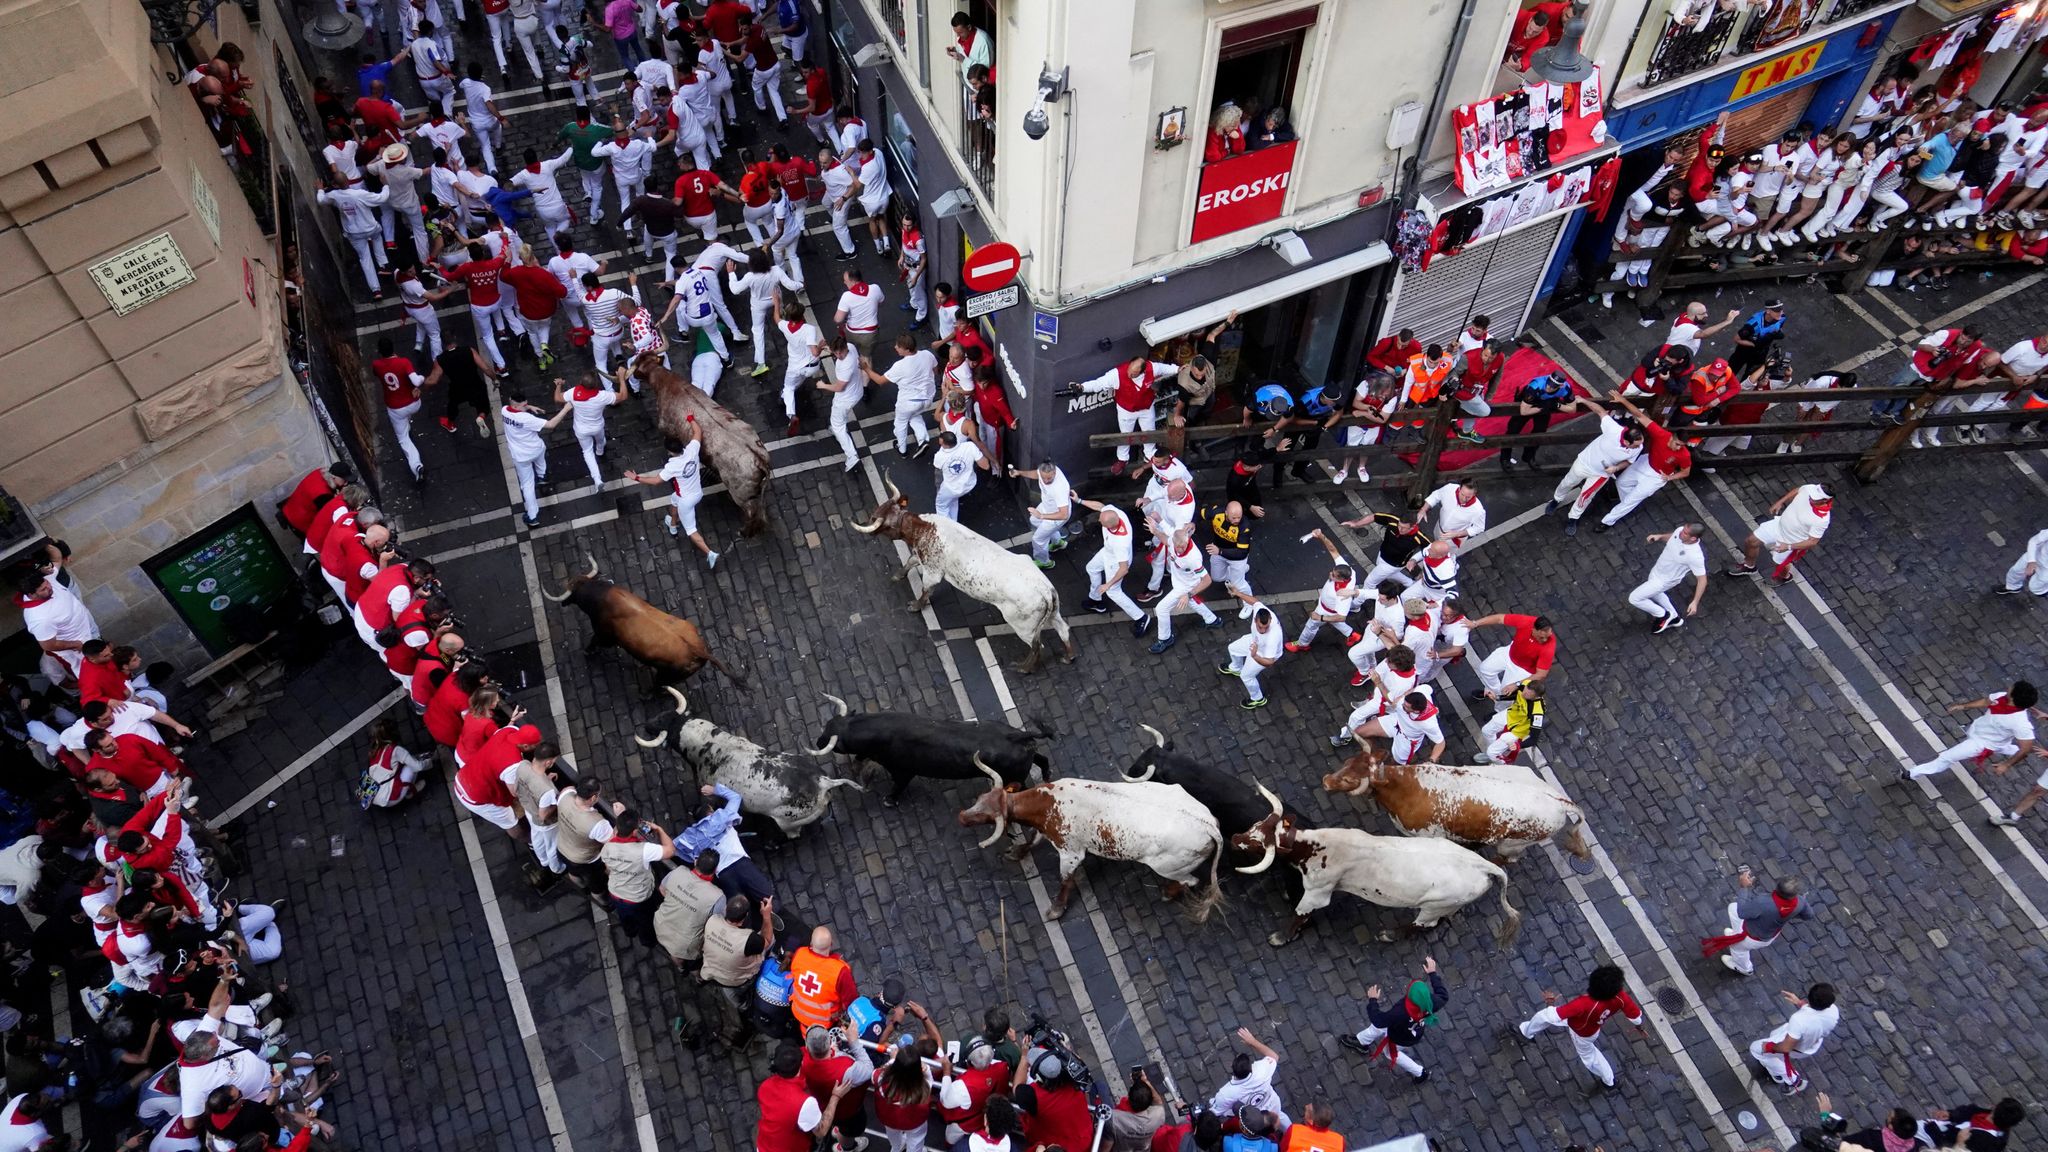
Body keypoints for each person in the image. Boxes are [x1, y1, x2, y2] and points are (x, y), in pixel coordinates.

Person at [1516, 964, 1644, 1089]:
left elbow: (1554, 1015)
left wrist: (1550, 1003)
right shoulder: (1621, 997)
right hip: (1591, 1029)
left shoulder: (1582, 1004)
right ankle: (1609, 1082)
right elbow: (1635, 1016)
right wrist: (1639, 1027)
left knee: (1590, 1057)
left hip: (1579, 1031)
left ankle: (1609, 1081)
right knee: (1545, 1017)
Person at [1544, 394, 1643, 536]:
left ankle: (1574, 517)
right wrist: (1584, 400)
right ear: (1627, 442)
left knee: (1586, 496)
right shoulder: (1613, 430)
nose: (1639, 447)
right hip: (1584, 463)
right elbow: (1600, 411)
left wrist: (1615, 468)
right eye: (1636, 445)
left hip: (1601, 474)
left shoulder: (1637, 448)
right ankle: (1557, 499)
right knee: (1568, 482)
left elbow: (1628, 461)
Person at [1903, 681, 2038, 784]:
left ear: (2014, 698)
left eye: (2012, 688)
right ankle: (2013, 750)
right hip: (1978, 729)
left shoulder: (2021, 724)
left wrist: (2006, 765)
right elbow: (1986, 701)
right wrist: (1963, 706)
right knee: (2004, 746)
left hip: (1981, 744)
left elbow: (2025, 747)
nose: (2009, 687)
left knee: (1947, 757)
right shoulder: (2002, 696)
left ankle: (1912, 773)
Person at [625, 423, 720, 569]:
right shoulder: (692, 450)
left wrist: (636, 478)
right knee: (673, 500)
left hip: (686, 500)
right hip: (696, 492)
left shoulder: (672, 466)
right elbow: (697, 431)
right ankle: (673, 524)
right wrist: (690, 419)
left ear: (670, 452)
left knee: (691, 530)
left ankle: (709, 553)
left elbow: (656, 481)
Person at [1595, 390, 1691, 530]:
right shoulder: (1662, 434)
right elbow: (1639, 416)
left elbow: (1685, 472)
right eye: (1677, 444)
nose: (1678, 448)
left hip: (1658, 476)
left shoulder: (1684, 455)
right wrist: (1622, 400)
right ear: (1672, 437)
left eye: (1681, 446)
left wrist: (1669, 478)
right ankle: (1627, 503)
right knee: (1621, 483)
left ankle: (1607, 521)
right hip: (1645, 462)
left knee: (1631, 500)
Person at [1339, 955, 1445, 1081]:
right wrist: (1433, 974)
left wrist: (1373, 1001)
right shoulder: (1432, 1002)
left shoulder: (1400, 1012)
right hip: (1412, 1031)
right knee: (1380, 1027)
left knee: (1390, 1053)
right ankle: (1361, 1041)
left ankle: (1420, 1073)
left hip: (1399, 1037)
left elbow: (1379, 1020)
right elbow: (1443, 995)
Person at [1077, 355, 1180, 475]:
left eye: (1134, 373)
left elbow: (1164, 368)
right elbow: (1099, 383)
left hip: (1146, 408)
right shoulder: (1117, 373)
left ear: (1143, 370)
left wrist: (1178, 369)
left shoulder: (1152, 368)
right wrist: (1082, 387)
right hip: (1126, 410)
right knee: (1125, 435)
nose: (1130, 374)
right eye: (1130, 371)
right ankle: (1122, 459)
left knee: (1149, 432)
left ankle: (1149, 455)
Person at [1700, 869, 1811, 975]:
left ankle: (1744, 968)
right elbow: (1808, 916)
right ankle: (1736, 933)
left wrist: (1744, 887)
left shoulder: (1763, 902)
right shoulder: (1801, 902)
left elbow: (1742, 913)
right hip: (1769, 933)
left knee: (1737, 948)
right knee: (1733, 908)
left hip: (1752, 937)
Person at [758, 1041, 858, 1152]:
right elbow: (821, 1131)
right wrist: (835, 1096)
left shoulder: (765, 1086)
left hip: (764, 1146)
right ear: (801, 1064)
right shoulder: (804, 1103)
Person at [1724, 481, 1832, 581]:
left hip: (1791, 540)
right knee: (1751, 541)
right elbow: (1798, 490)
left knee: (1780, 563)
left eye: (1815, 498)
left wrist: (1788, 546)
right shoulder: (1810, 489)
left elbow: (1812, 541)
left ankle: (1784, 577)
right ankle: (1749, 566)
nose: (1810, 498)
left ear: (1825, 500)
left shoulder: (1822, 520)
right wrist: (1781, 502)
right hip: (1779, 525)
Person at [600, 806, 674, 947]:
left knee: (625, 918)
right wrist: (659, 830)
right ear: (634, 831)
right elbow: (670, 850)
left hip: (616, 893)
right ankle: (648, 941)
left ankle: (630, 932)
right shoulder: (644, 850)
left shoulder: (607, 847)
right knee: (645, 922)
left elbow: (607, 869)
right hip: (637, 898)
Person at [1748, 983, 1839, 1095]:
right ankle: (1775, 1071)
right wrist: (1800, 1003)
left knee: (1756, 1049)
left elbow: (1785, 1048)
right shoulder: (1833, 1010)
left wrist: (1767, 1047)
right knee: (1774, 1035)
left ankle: (1795, 1081)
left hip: (1795, 1045)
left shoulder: (1798, 1020)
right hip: (1811, 1042)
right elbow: (1815, 1015)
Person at [500, 387, 571, 525]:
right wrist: (566, 409)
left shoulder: (504, 411)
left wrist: (529, 407)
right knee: (541, 461)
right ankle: (542, 476)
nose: (526, 406)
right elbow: (551, 424)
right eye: (524, 405)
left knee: (527, 485)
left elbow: (517, 409)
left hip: (520, 456)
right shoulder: (527, 419)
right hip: (536, 449)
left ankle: (532, 516)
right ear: (516, 405)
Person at [1148, 524, 1221, 655]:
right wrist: (1156, 531)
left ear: (1187, 541)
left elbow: (1207, 580)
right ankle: (1213, 620)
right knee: (1192, 601)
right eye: (1177, 546)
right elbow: (1166, 540)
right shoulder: (1174, 541)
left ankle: (1165, 639)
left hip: (1186, 586)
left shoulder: (1194, 558)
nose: (1179, 549)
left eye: (1182, 546)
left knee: (1161, 609)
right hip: (1180, 582)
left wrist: (1188, 594)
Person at [1075, 499, 1145, 628]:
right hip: (1107, 551)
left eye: (1101, 521)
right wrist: (1079, 500)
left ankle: (1141, 617)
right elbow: (1100, 506)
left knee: (1113, 592)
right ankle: (1096, 600)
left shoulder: (1120, 543)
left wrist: (1107, 585)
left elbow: (1123, 569)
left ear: (1109, 526)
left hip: (1116, 562)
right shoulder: (1115, 513)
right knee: (1091, 568)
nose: (1099, 521)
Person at [1287, 529, 1361, 651]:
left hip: (1326, 610)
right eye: (1333, 571)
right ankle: (1352, 634)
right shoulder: (1348, 570)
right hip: (1327, 605)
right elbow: (1333, 550)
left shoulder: (1343, 595)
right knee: (1336, 623)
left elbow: (1341, 617)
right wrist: (1321, 536)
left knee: (1311, 625)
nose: (1331, 574)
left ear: (1342, 579)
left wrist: (1320, 618)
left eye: (1334, 575)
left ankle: (1302, 644)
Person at [1630, 524, 1708, 634]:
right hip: (1657, 570)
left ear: (1693, 538)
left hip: (1665, 581)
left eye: (1685, 533)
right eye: (1683, 529)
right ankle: (1675, 618)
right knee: (1655, 593)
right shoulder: (1680, 531)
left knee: (1634, 598)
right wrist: (1660, 537)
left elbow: (1702, 580)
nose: (1681, 532)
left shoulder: (1695, 556)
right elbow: (1673, 537)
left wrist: (1695, 602)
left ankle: (1663, 615)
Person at [1466, 612, 1556, 700]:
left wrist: (1516, 684)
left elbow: (1541, 674)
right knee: (1485, 669)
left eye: (1547, 636)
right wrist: (1475, 623)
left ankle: (1498, 709)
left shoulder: (1549, 646)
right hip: (1510, 653)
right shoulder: (1526, 621)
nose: (1545, 640)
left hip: (1523, 670)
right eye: (1541, 637)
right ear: (1533, 629)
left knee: (1506, 692)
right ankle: (1493, 692)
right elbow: (1500, 619)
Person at [1500, 370, 1576, 468]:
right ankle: (1505, 457)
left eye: (1553, 386)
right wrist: (1541, 408)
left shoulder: (1565, 388)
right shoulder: (1535, 386)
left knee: (1540, 432)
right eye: (1549, 383)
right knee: (1513, 430)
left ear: (1560, 386)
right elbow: (1524, 411)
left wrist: (1555, 405)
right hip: (1528, 403)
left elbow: (1572, 409)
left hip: (1546, 405)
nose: (1549, 387)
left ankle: (1529, 456)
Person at [1220, 596, 1285, 711]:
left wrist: (1254, 655)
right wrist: (1237, 592)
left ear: (1270, 620)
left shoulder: (1272, 638)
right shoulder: (1260, 610)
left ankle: (1257, 698)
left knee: (1246, 676)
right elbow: (1255, 601)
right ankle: (1236, 667)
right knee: (1233, 648)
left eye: (1266, 627)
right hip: (1254, 642)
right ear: (1255, 619)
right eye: (1260, 627)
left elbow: (1269, 662)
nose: (1264, 630)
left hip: (1263, 654)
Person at [1011, 461, 1073, 568]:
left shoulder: (1059, 489)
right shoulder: (1045, 471)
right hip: (1047, 506)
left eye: (1049, 478)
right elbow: (1036, 474)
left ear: (1054, 473)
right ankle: (1058, 542)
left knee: (1038, 539)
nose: (1045, 481)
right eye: (1043, 478)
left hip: (1057, 516)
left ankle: (1044, 562)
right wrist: (1019, 472)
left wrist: (1041, 516)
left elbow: (1064, 515)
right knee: (1034, 520)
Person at [361, 719, 430, 809]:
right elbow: (418, 767)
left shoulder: (374, 750)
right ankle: (409, 792)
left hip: (372, 796)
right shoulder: (396, 750)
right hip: (389, 799)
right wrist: (429, 762)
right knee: (411, 766)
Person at [1478, 679, 1543, 764]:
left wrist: (1518, 745)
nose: (1525, 693)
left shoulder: (1537, 713)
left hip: (1517, 729)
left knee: (1491, 752)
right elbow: (1517, 694)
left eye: (1529, 694)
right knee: (1486, 731)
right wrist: (1498, 698)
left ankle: (1502, 763)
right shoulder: (1525, 684)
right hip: (1511, 714)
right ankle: (1494, 755)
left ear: (1536, 697)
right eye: (1526, 690)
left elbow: (1533, 739)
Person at [932, 430, 988, 522]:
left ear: (945, 445)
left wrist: (939, 489)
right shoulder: (969, 446)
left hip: (950, 488)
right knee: (953, 501)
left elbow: (938, 475)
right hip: (968, 484)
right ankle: (955, 523)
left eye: (941, 443)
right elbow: (985, 466)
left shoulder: (940, 456)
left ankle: (949, 529)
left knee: (941, 506)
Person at [1726, 301, 1788, 379]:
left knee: (1751, 376)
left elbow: (1779, 328)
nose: (1780, 313)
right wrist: (1752, 344)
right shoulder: (1753, 324)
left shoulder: (1781, 318)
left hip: (1761, 353)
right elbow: (1737, 339)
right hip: (1744, 351)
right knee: (1730, 372)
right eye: (1777, 311)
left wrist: (1775, 334)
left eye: (1781, 310)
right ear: (1768, 311)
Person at [1419, 481, 1487, 550]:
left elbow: (1479, 528)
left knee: (1446, 554)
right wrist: (1423, 509)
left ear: (1474, 494)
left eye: (1468, 497)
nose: (1463, 499)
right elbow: (1436, 495)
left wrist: (1457, 534)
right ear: (1459, 488)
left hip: (1453, 540)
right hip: (1439, 528)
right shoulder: (1449, 488)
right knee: (1435, 542)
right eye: (1462, 494)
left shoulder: (1478, 510)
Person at [1998, 527, 2048, 597]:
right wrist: (2031, 561)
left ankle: (2043, 592)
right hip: (2036, 555)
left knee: (2035, 588)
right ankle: (2012, 587)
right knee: (2016, 571)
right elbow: (2034, 541)